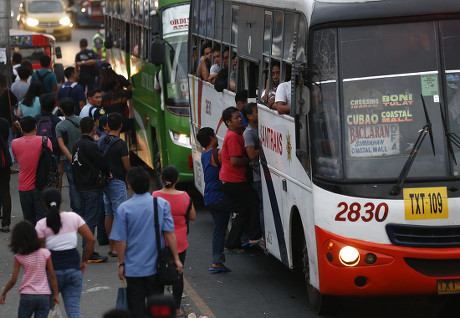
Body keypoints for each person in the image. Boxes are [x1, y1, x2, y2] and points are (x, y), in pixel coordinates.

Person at [110, 166, 183, 318]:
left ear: (129, 185)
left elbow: (121, 241)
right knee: (156, 309)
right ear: (148, 183)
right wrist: (176, 259)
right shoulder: (161, 204)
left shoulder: (124, 209)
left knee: (136, 308)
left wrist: (121, 264)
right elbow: (169, 234)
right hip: (157, 268)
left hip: (133, 269)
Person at [36, 188, 95, 318]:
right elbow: (91, 239)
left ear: (44, 204)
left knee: (45, 312)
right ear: (61, 201)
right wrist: (84, 260)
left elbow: (41, 252)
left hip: (52, 273)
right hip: (74, 270)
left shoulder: (41, 225)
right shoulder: (73, 217)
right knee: (73, 311)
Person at [152, 166, 196, 317]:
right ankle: (176, 309)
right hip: (180, 241)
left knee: (157, 274)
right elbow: (192, 216)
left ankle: (158, 309)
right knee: (178, 274)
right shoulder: (185, 196)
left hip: (160, 241)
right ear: (177, 180)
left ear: (161, 179)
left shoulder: (155, 195)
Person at [219, 107, 261, 250]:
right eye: (235, 118)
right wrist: (249, 160)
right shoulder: (232, 137)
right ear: (228, 122)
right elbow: (235, 161)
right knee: (254, 202)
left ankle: (232, 244)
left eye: (239, 116)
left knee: (243, 210)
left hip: (233, 179)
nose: (239, 119)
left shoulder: (240, 131)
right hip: (233, 181)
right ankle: (254, 236)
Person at [0, 220, 59, 318]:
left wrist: (4, 293)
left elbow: (13, 280)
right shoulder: (45, 253)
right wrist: (56, 294)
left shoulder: (20, 257)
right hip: (44, 296)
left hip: (27, 295)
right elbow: (52, 275)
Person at [72, 117, 109, 263]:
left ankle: (87, 250)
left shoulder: (76, 145)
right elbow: (102, 162)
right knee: (91, 220)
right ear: (94, 129)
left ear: (80, 129)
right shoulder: (91, 146)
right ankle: (88, 253)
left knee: (85, 218)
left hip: (79, 186)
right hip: (91, 187)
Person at [196, 127, 233, 272]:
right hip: (218, 196)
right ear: (212, 138)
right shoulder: (217, 153)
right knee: (245, 207)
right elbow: (232, 162)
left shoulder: (205, 154)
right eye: (215, 136)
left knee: (219, 229)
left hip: (209, 197)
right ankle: (239, 240)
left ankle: (217, 262)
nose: (217, 138)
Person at [100, 112, 130, 257]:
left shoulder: (102, 141)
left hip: (105, 181)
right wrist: (129, 178)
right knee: (120, 214)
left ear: (107, 126)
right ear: (121, 126)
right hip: (117, 181)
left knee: (108, 213)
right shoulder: (120, 143)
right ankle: (118, 247)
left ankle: (112, 246)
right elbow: (126, 165)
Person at [11, 116, 53, 224]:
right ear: (35, 127)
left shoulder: (14, 143)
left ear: (21, 129)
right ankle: (41, 240)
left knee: (29, 219)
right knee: (42, 220)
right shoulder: (45, 141)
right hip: (42, 185)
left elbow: (16, 157)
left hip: (24, 186)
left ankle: (31, 240)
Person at [55, 97, 83, 216]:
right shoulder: (82, 121)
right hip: (84, 157)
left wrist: (71, 157)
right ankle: (86, 207)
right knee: (85, 183)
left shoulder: (60, 126)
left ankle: (77, 210)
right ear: (74, 108)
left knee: (73, 184)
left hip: (69, 160)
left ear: (62, 110)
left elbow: (61, 145)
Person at [242, 103, 264, 235]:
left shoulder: (261, 127)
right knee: (262, 207)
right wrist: (265, 147)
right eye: (256, 111)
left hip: (264, 175)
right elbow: (251, 155)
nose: (259, 113)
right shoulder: (249, 133)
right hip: (257, 177)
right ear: (249, 116)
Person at [0, 73, 18, 163]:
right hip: (7, 120)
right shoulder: (7, 92)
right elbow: (15, 102)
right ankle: (9, 160)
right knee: (10, 141)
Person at [0, 117, 12, 233]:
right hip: (3, 160)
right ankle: (6, 223)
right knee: (5, 192)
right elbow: (5, 137)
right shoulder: (4, 122)